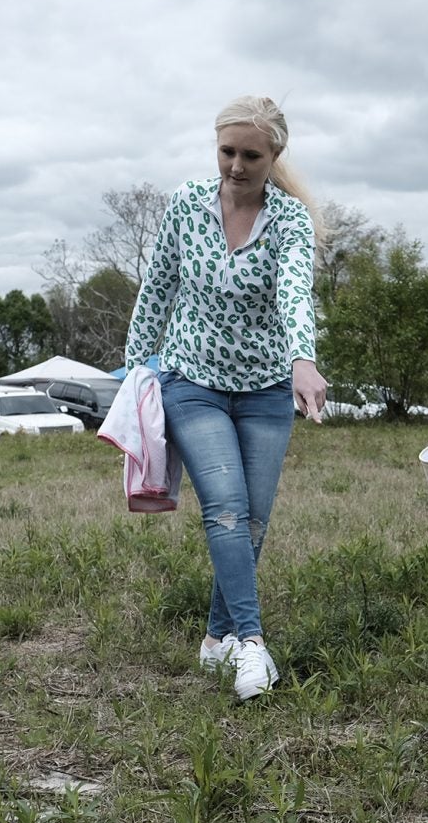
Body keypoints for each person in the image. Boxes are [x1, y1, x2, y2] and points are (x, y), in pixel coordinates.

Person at [122, 94, 328, 701]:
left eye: (251, 155)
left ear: (274, 156)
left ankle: (217, 640)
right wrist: (136, 374)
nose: (236, 166)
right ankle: (253, 648)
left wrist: (302, 361)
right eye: (227, 152)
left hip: (266, 390)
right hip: (192, 382)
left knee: (253, 522)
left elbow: (295, 294)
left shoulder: (289, 221)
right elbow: (156, 289)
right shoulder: (187, 204)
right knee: (227, 511)